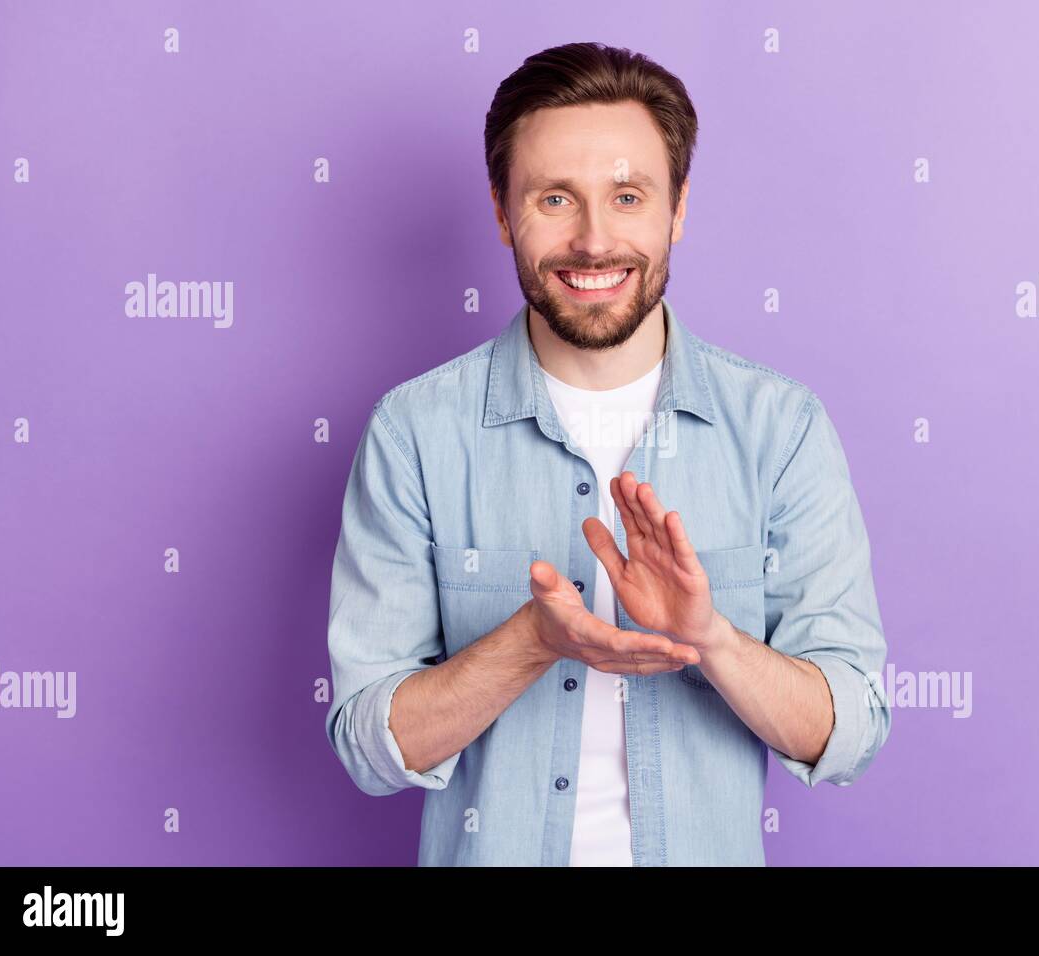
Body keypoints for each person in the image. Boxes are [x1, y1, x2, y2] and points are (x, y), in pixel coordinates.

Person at [325, 41, 891, 866]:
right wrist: (529, 642)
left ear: (678, 209)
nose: (594, 242)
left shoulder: (782, 428)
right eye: (556, 198)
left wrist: (715, 641)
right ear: (500, 210)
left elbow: (853, 731)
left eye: (627, 196)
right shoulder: (414, 432)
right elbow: (369, 746)